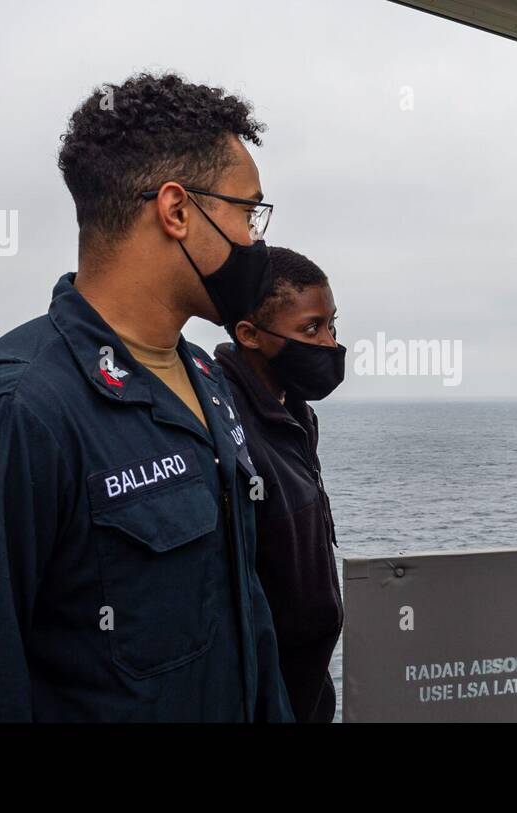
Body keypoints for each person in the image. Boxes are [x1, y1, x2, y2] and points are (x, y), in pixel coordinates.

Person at [0, 73, 292, 722]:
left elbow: (248, 631)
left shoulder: (208, 386)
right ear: (178, 210)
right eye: (248, 211)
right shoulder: (10, 415)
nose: (255, 240)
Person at [214, 246, 345, 723]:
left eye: (332, 324)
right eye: (311, 329)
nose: (329, 343)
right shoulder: (225, 427)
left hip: (307, 694)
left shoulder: (295, 415)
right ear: (249, 334)